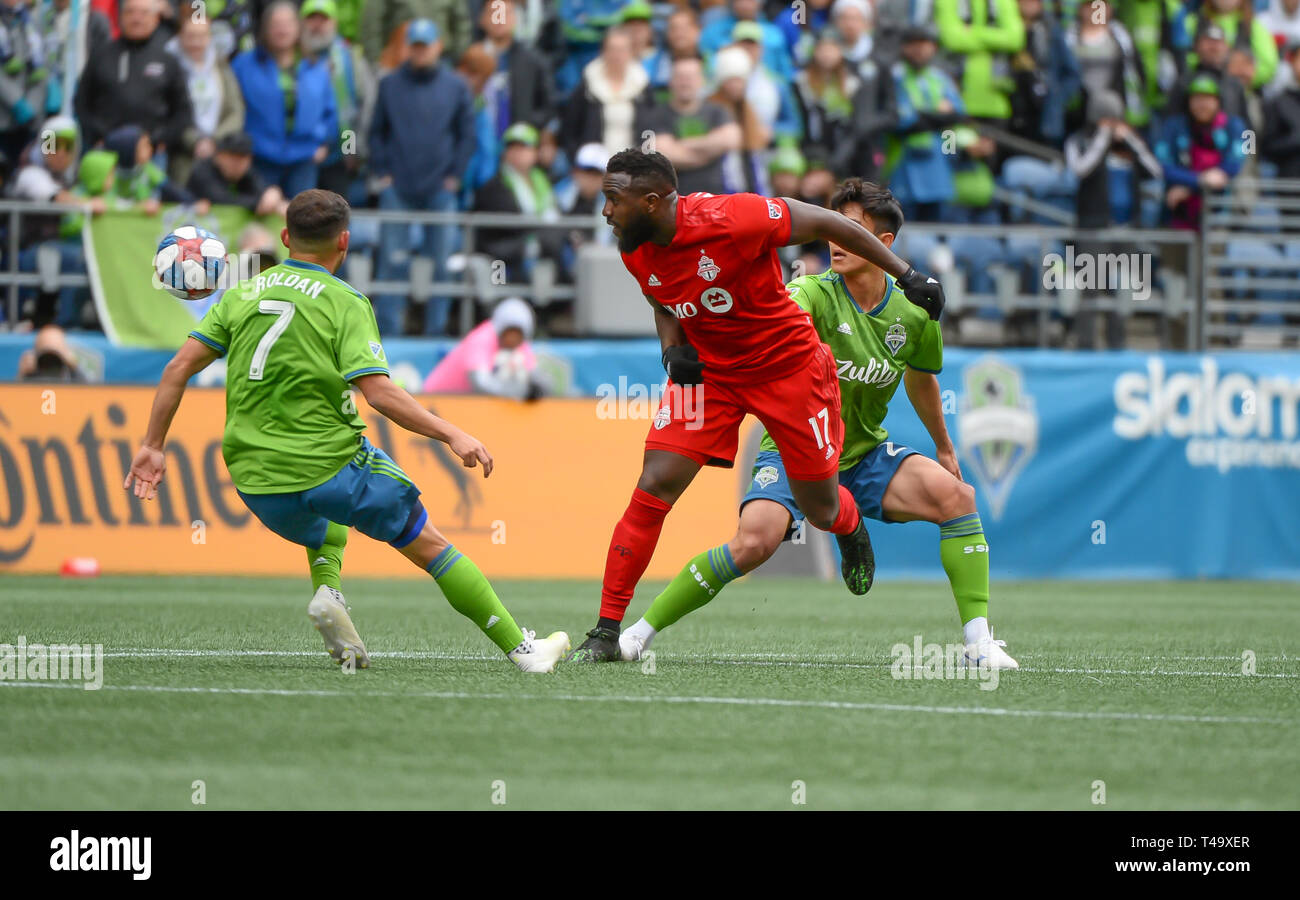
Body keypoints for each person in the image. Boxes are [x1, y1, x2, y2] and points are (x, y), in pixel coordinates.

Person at [123, 189, 569, 673]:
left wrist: (152, 445)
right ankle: (523, 651)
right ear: (345, 242)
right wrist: (451, 434)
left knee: (328, 528)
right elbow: (378, 394)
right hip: (332, 465)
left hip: (256, 480)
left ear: (286, 236)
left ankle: (328, 594)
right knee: (430, 543)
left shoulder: (241, 293)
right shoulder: (346, 302)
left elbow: (176, 369)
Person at [615, 179, 1018, 670]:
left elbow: (921, 379)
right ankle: (639, 633)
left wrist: (944, 447)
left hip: (864, 453)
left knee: (958, 499)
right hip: (793, 450)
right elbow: (772, 327)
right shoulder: (809, 292)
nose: (835, 238)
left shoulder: (914, 312)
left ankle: (979, 643)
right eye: (835, 225)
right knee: (754, 542)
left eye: (851, 228)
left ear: (882, 245)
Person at [564, 149, 946, 663]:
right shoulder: (634, 246)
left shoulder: (733, 217)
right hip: (714, 376)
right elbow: (663, 301)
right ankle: (606, 632)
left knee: (819, 506)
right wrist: (672, 349)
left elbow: (829, 222)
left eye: (613, 199)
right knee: (653, 484)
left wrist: (907, 275)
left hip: (789, 370)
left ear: (651, 202)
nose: (604, 210)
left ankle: (849, 523)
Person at [368, 18, 474, 336]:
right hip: (398, 187)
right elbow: (375, 133)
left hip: (440, 188)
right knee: (392, 262)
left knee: (442, 262)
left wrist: (455, 175)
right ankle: (389, 332)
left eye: (426, 46)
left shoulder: (455, 86)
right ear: (407, 48)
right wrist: (383, 173)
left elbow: (467, 136)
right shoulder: (389, 85)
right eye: (415, 46)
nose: (421, 52)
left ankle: (436, 331)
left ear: (438, 47)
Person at [231, 0, 337, 198]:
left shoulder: (316, 68)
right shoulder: (244, 65)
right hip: (259, 157)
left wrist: (324, 144)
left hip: (304, 158)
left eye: (288, 24)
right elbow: (232, 107)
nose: (282, 30)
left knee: (302, 218)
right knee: (262, 215)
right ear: (265, 29)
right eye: (276, 25)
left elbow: (329, 111)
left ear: (298, 28)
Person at [73, 0, 194, 155]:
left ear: (156, 19)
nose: (136, 19)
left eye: (144, 13)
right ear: (120, 17)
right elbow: (81, 102)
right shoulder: (101, 56)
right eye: (130, 12)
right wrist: (95, 136)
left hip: (151, 154)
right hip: (105, 151)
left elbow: (183, 111)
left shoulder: (168, 61)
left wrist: (162, 141)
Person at [635, 56, 740, 197]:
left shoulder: (717, 111)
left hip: (714, 197)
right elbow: (662, 154)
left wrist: (681, 145)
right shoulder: (655, 115)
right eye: (680, 77)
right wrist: (709, 150)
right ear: (671, 81)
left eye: (690, 77)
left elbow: (730, 139)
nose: (685, 83)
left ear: (701, 81)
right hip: (671, 200)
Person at [1153, 74, 1246, 230]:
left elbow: (1237, 163)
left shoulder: (1237, 125)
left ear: (1218, 101)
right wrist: (1199, 181)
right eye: (1196, 99)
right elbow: (1163, 166)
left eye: (1208, 99)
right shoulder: (1172, 126)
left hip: (1219, 212)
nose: (1202, 105)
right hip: (1176, 212)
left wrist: (1189, 188)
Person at [167, 13, 246, 189]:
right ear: (180, 37)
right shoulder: (170, 66)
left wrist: (214, 141)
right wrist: (195, 141)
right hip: (183, 155)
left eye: (201, 36)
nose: (196, 42)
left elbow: (235, 110)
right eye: (190, 36)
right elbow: (170, 113)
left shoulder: (221, 66)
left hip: (218, 153)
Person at [423, 297, 545, 399]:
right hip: (436, 401)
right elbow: (480, 383)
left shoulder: (521, 345)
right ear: (501, 329)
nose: (512, 340)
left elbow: (537, 378)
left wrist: (537, 389)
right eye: (509, 333)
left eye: (518, 335)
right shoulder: (481, 339)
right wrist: (521, 392)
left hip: (465, 407)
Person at [560, 25, 650, 162]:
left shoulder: (642, 85)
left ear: (631, 53)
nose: (616, 55)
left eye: (622, 50)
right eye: (612, 49)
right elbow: (570, 129)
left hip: (634, 168)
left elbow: (650, 130)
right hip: (594, 169)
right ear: (603, 51)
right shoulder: (587, 85)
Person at [186, 131, 288, 216]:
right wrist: (258, 203)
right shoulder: (203, 171)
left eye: (244, 158)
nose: (239, 164)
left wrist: (273, 196)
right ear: (220, 156)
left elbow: (262, 190)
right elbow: (221, 200)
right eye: (233, 158)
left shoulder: (245, 172)